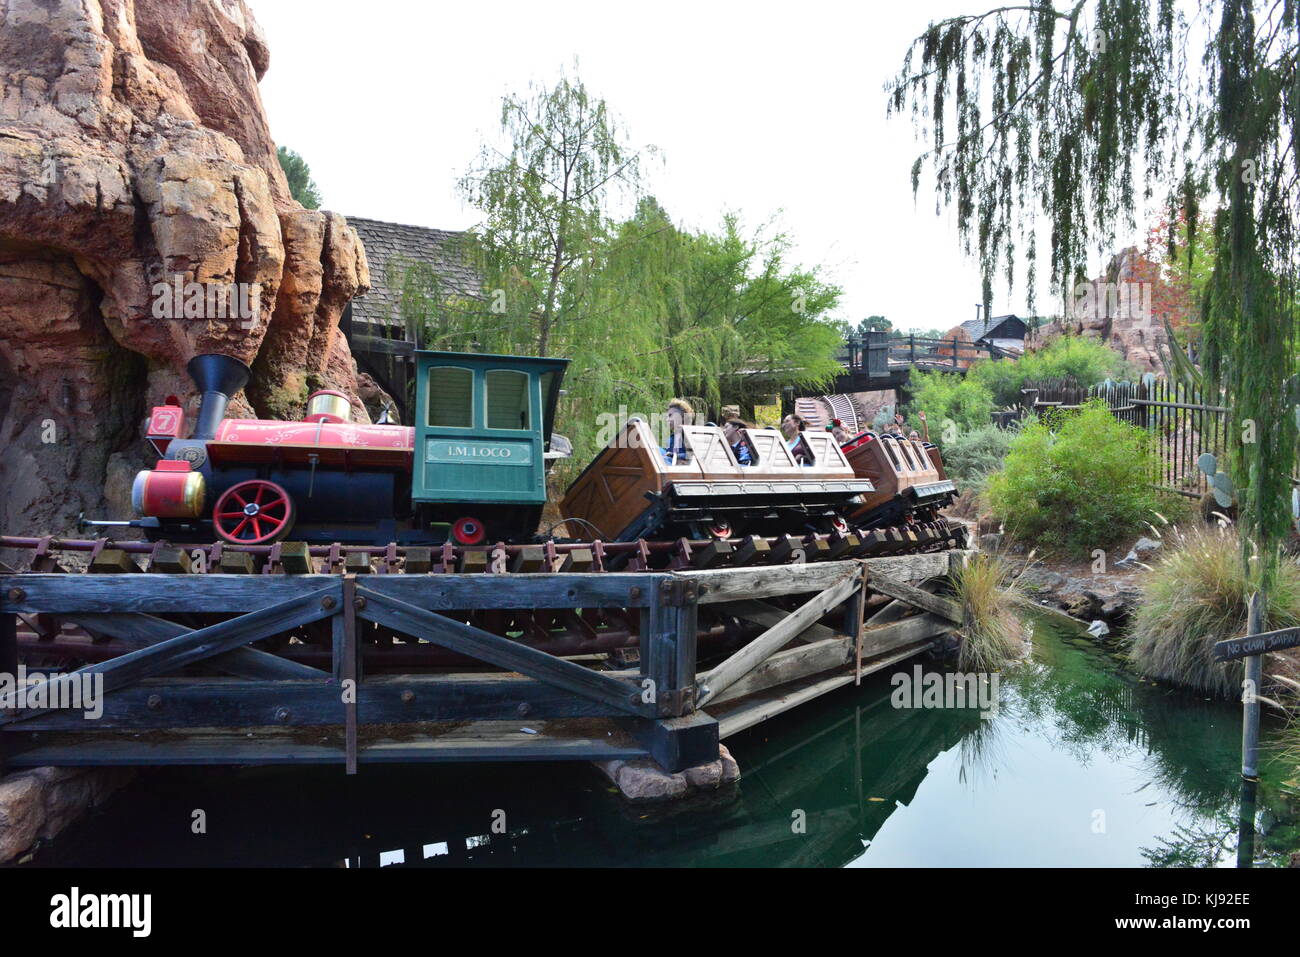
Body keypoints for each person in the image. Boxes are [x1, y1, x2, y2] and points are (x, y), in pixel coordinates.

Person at [662, 398, 693, 464]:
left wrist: (675, 455)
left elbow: (693, 455)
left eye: (670, 415)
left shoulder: (688, 435)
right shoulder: (672, 438)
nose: (667, 419)